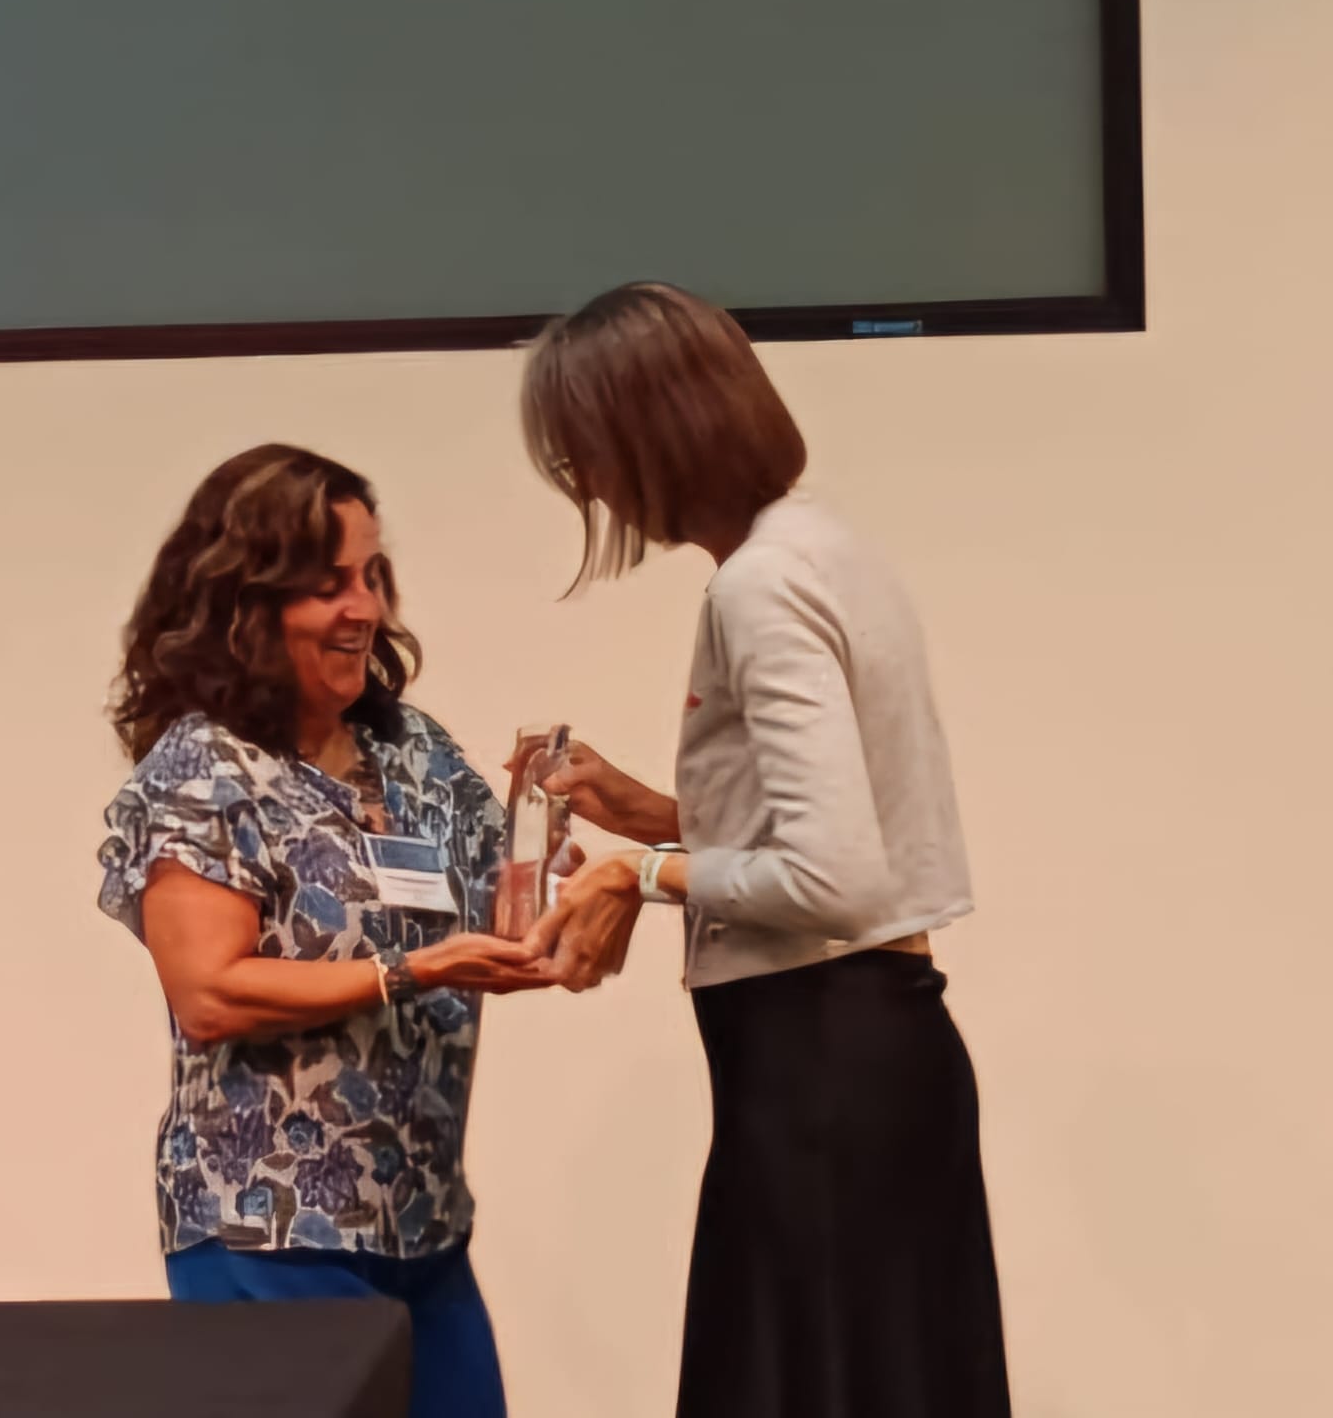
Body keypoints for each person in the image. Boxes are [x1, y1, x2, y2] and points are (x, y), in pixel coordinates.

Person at [516, 283, 1011, 1417]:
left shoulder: (759, 587)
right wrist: (643, 814)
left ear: (648, 433)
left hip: (819, 1076)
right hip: (867, 1061)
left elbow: (834, 879)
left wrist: (631, 875)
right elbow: (830, 830)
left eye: (583, 451)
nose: (582, 483)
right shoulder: (821, 548)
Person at [97, 444, 553, 1418]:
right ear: (245, 605)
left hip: (423, 1226)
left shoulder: (413, 749)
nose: (366, 609)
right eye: (329, 584)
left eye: (373, 576)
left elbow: (501, 913)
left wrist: (581, 889)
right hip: (271, 1231)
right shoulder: (202, 772)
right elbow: (211, 992)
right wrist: (405, 971)